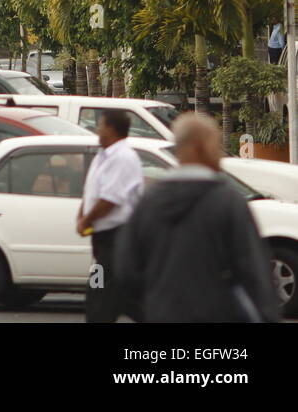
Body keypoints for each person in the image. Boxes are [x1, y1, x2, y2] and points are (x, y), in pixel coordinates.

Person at [118, 113, 280, 323]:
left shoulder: (149, 201)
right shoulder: (227, 201)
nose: (218, 154)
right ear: (200, 147)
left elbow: (126, 267)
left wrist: (158, 296)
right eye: (215, 145)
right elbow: (253, 271)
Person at [77, 109, 144, 322]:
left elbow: (111, 199)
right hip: (102, 239)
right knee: (103, 289)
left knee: (102, 294)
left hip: (117, 238)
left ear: (111, 129)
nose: (97, 130)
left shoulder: (122, 157)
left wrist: (87, 220)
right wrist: (82, 213)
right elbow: (93, 191)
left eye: (101, 125)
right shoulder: (104, 154)